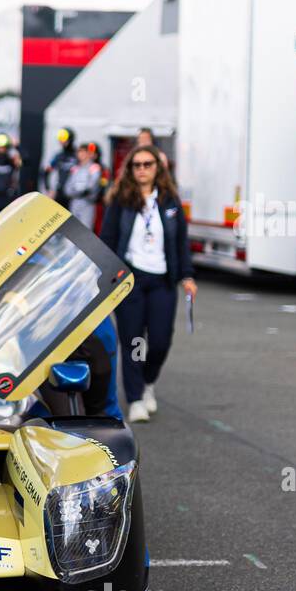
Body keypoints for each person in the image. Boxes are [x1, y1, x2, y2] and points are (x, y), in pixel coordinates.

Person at [0, 194, 122, 420]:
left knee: (103, 414)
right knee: (54, 422)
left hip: (89, 333)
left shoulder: (24, 249)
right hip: (42, 349)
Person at [99, 144, 196, 424]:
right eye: (136, 165)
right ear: (130, 169)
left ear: (158, 168)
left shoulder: (169, 201)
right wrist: (107, 276)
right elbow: (107, 238)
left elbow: (181, 243)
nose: (142, 169)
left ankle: (149, 381)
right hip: (131, 280)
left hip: (163, 280)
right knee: (132, 341)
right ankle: (136, 399)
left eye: (147, 164)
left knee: (160, 340)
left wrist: (187, 276)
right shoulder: (121, 200)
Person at [64, 144, 103, 230]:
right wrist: (75, 192)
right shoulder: (75, 168)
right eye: (79, 152)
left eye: (83, 152)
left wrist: (81, 191)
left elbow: (92, 186)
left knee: (86, 229)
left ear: (89, 153)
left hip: (87, 203)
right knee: (73, 229)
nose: (81, 155)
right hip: (74, 202)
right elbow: (68, 188)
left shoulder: (94, 167)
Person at [47, 126, 78, 203]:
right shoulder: (58, 156)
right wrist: (49, 189)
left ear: (70, 139)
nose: (61, 142)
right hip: (60, 193)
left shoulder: (78, 155)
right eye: (60, 139)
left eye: (64, 139)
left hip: (74, 194)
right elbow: (46, 172)